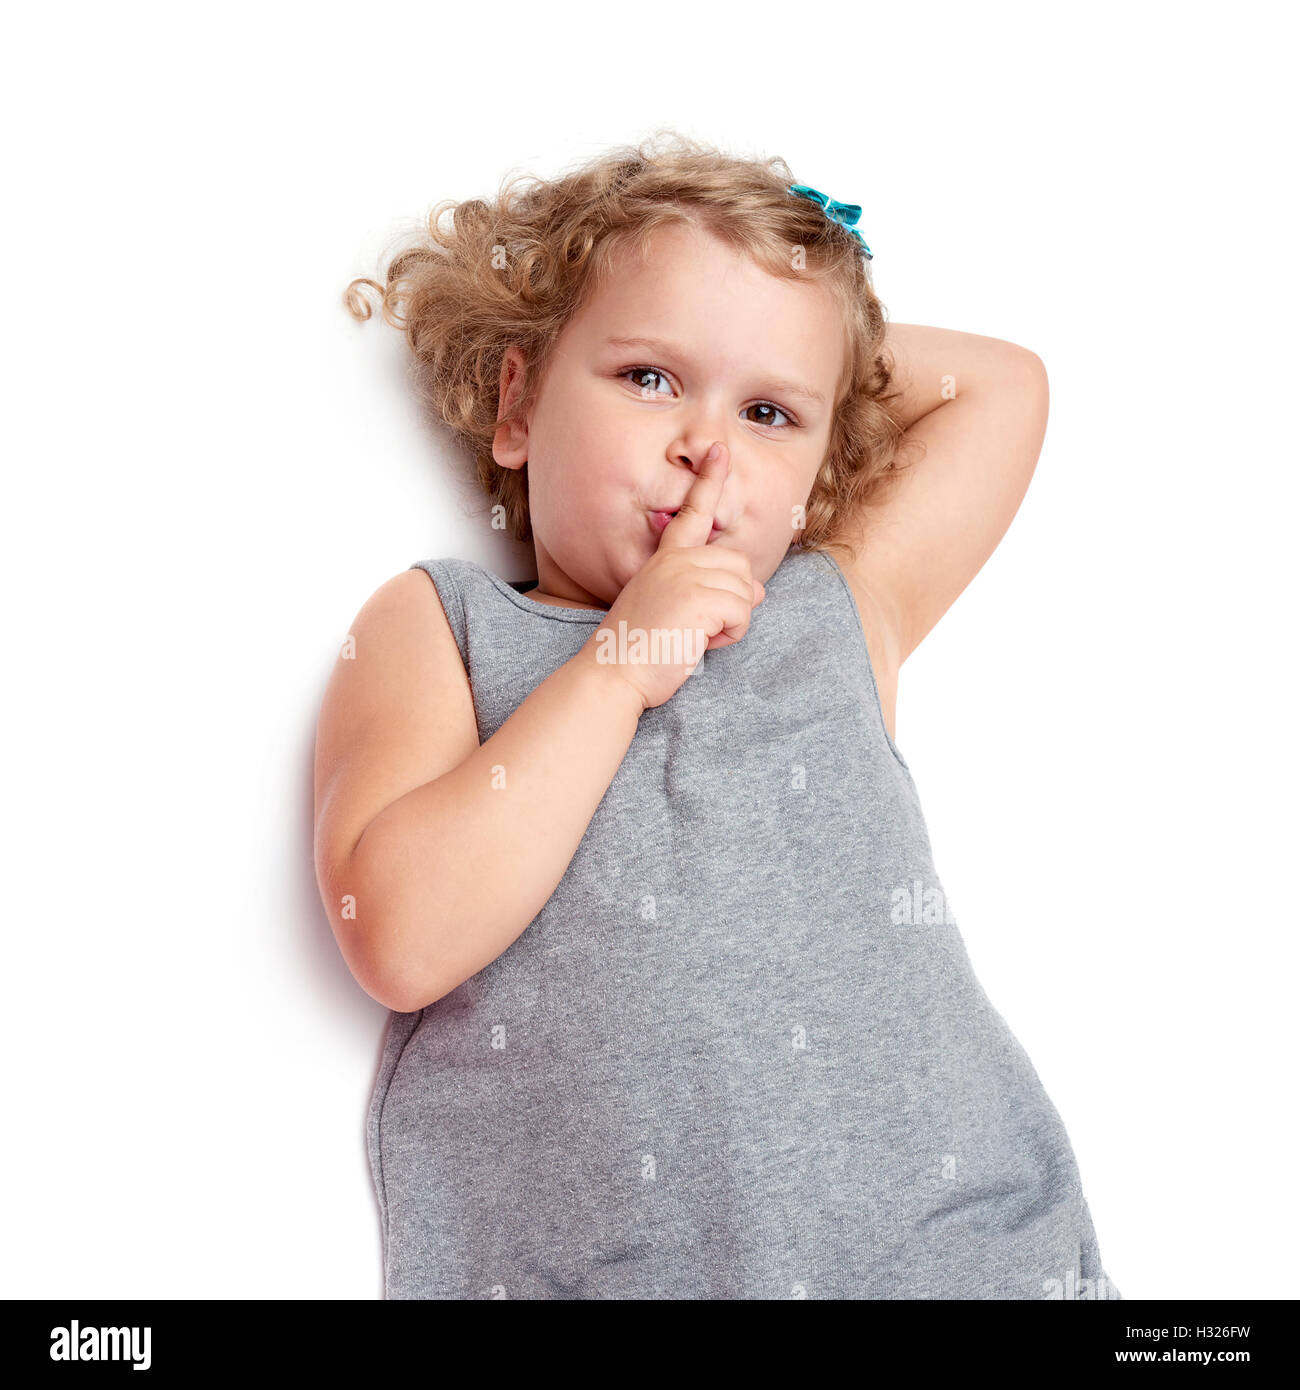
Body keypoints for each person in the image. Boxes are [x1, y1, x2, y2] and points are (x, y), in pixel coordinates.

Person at [313, 130, 1122, 1300]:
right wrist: (619, 665)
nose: (706, 446)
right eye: (649, 377)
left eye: (768, 416)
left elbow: (1004, 390)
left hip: (966, 1256)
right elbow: (397, 934)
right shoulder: (446, 626)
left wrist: (803, 323)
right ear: (518, 403)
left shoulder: (831, 609)